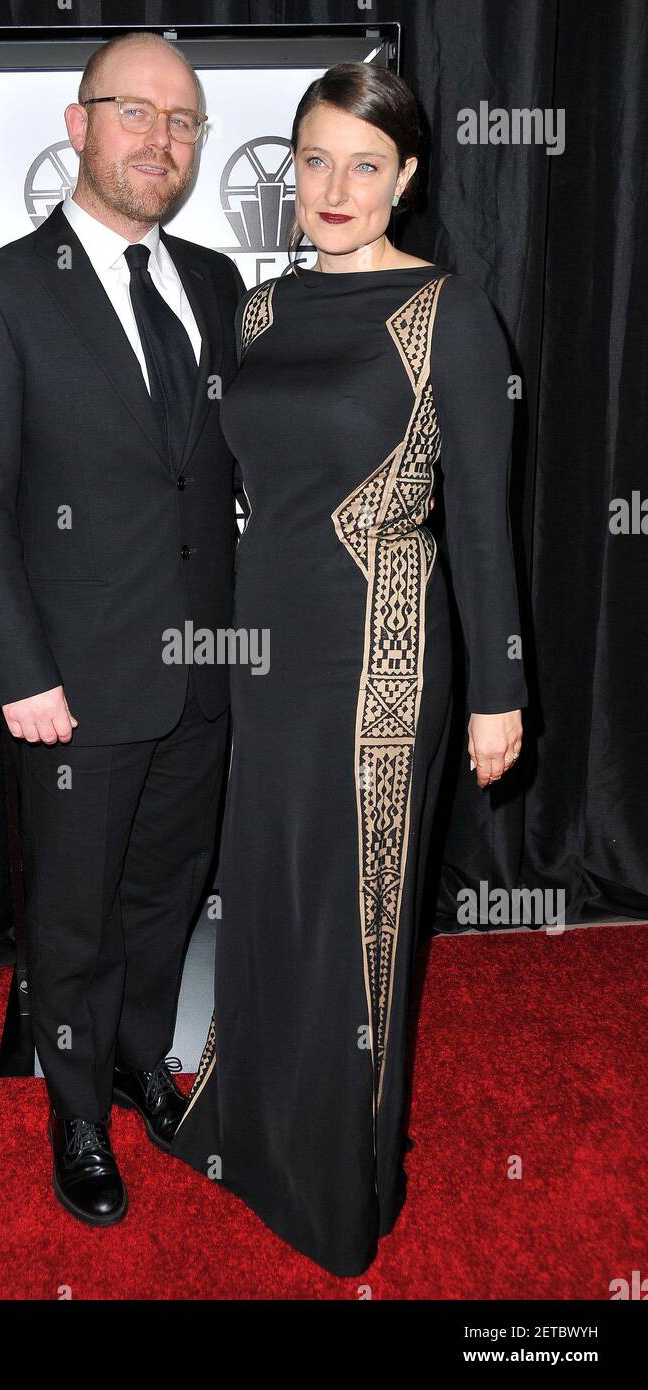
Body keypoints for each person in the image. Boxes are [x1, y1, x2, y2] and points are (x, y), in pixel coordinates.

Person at [170, 61, 529, 1276]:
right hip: (268, 656)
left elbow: (480, 517)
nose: (333, 188)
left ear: (406, 178)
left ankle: (334, 1177)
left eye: (363, 165)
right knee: (266, 893)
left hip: (379, 661)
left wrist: (498, 689)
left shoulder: (446, 316)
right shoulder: (260, 313)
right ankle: (251, 1129)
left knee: (354, 915)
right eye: (312, 160)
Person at [0, 31, 246, 1226]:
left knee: (166, 893)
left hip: (202, 674)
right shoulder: (0, 293)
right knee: (70, 915)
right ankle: (74, 1108)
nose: (160, 139)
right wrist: (18, 672)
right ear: (78, 127)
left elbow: (231, 475)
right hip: (69, 683)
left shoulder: (218, 284)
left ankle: (131, 1059)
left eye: (181, 121)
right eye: (136, 113)